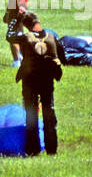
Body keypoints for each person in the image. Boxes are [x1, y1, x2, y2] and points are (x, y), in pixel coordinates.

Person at [10, 10, 65, 156]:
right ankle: (52, 149)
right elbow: (62, 55)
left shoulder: (24, 37)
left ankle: (33, 149)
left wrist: (16, 22)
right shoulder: (52, 37)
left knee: (31, 114)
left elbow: (9, 37)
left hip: (30, 79)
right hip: (47, 79)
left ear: (26, 25)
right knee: (49, 112)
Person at [3, 0, 30, 68]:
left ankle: (16, 61)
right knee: (20, 35)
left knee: (12, 35)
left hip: (16, 10)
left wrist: (8, 11)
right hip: (24, 9)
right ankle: (23, 58)